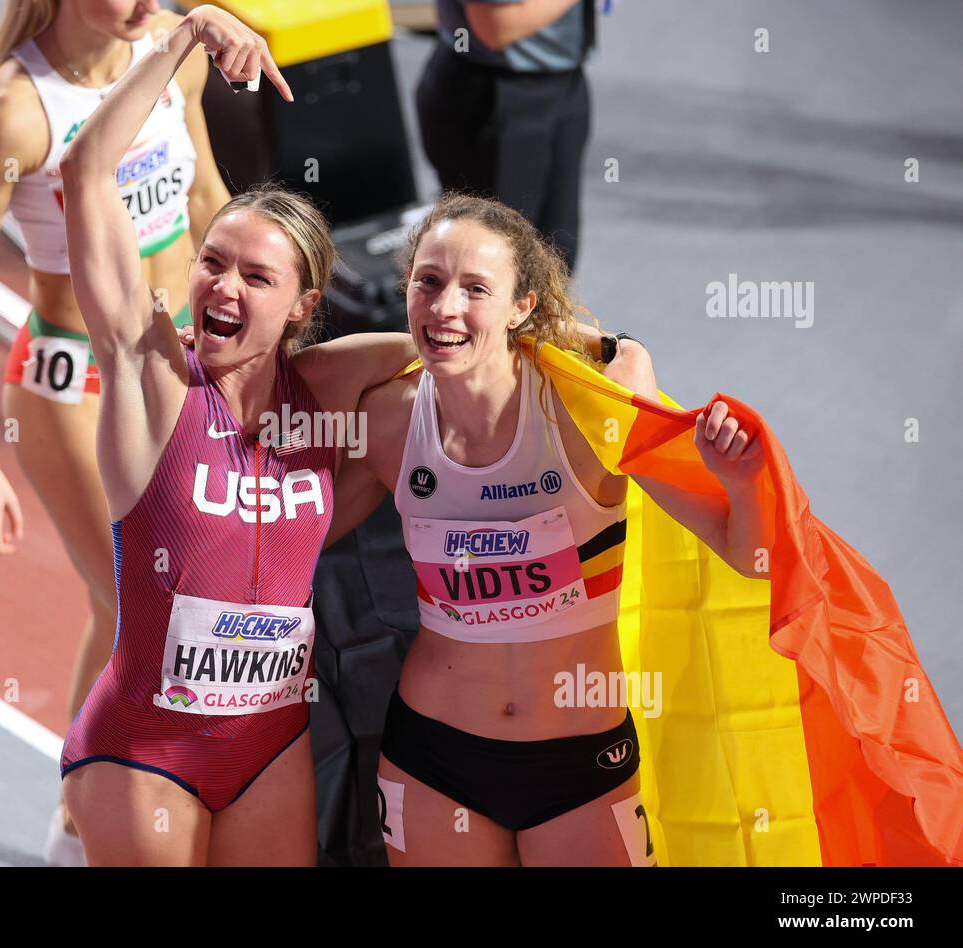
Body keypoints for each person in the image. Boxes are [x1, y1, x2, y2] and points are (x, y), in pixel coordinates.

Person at [56, 4, 419, 866]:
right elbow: (87, 171)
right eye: (213, 261)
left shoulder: (321, 396)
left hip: (269, 749)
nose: (222, 284)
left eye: (257, 275)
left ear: (300, 307)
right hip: (146, 747)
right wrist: (181, 38)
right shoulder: (155, 374)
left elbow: (441, 350)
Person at [356, 192, 772, 865]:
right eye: (427, 282)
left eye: (475, 289)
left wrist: (744, 480)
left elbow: (750, 556)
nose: (444, 307)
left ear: (524, 305)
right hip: (431, 760)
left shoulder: (589, 416)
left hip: (582, 766)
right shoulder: (386, 421)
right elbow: (288, 400)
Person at [0, 0, 233, 864]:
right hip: (73, 389)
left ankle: (79, 810)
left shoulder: (179, 55)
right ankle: (94, 823)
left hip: (175, 367)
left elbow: (206, 197)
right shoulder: (15, 114)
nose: (147, 3)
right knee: (150, 609)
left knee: (127, 607)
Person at [417, 0, 595, 271]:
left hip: (561, 81)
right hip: (497, 97)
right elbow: (497, 26)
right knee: (491, 267)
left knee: (555, 260)